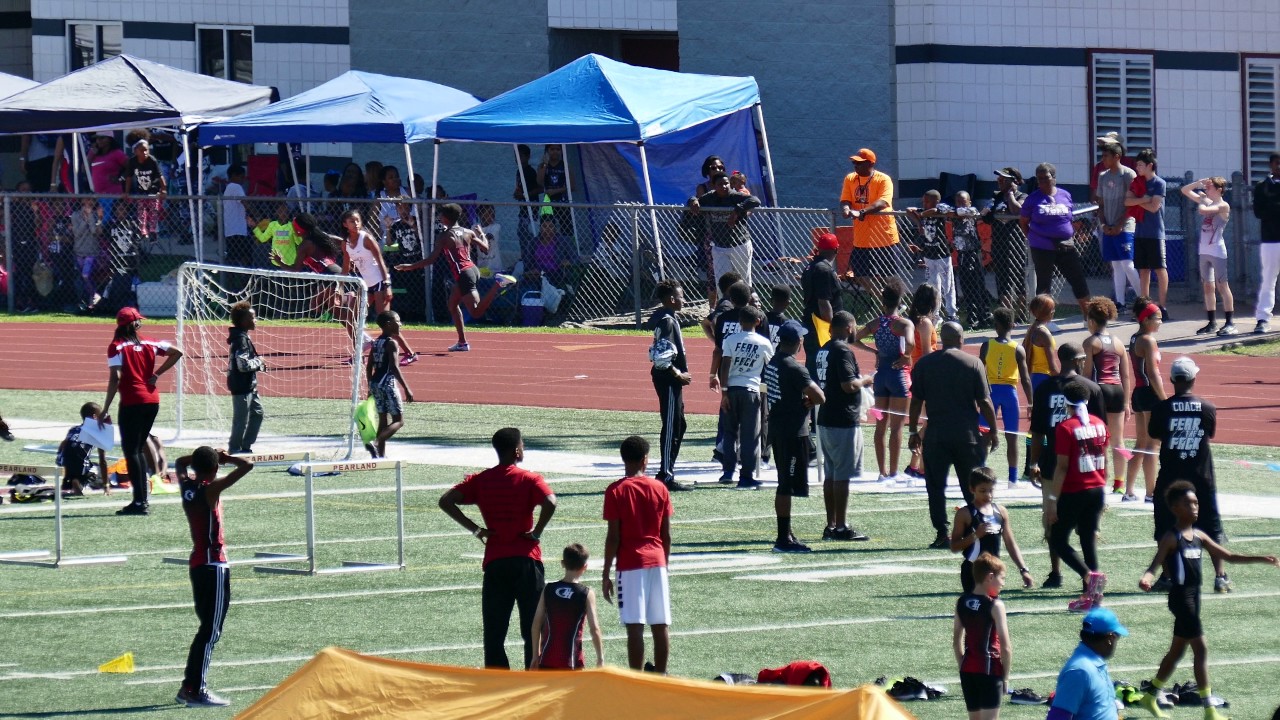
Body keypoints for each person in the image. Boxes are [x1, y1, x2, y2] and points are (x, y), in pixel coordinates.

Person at [1138, 481, 1279, 720]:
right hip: (1181, 599)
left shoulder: (1200, 536)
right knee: (1201, 650)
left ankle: (1150, 695)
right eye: (1188, 503)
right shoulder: (1171, 538)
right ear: (1174, 508)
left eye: (1196, 502)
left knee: (1176, 651)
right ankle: (1209, 710)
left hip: (1195, 597)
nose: (1194, 507)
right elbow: (1155, 564)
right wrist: (1147, 577)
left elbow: (1229, 557)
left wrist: (1261, 558)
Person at [438, 428, 557, 670]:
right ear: (516, 451)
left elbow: (446, 501)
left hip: (496, 562)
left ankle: (497, 683)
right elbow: (550, 502)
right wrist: (537, 532)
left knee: (494, 633)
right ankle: (532, 679)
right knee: (532, 630)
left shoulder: (482, 480)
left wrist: (476, 530)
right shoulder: (530, 479)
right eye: (522, 446)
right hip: (527, 561)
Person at [174, 447, 254, 708]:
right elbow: (247, 466)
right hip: (214, 564)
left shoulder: (187, 485)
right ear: (215, 467)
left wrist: (206, 456)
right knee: (211, 631)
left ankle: (189, 686)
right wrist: (227, 457)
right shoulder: (211, 489)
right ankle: (196, 690)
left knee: (205, 630)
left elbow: (179, 461)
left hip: (198, 564)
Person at [909, 321, 998, 549]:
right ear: (961, 339)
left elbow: (917, 400)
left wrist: (912, 430)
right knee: (972, 485)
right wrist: (994, 430)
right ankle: (977, 527)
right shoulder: (973, 363)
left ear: (940, 339)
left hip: (936, 436)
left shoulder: (925, 364)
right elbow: (984, 401)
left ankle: (942, 532)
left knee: (935, 486)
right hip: (967, 435)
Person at [1148, 357, 1231, 593]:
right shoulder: (1207, 407)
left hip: (1171, 477)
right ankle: (1220, 576)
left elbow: (1155, 434)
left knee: (1165, 525)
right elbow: (1210, 433)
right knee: (1211, 527)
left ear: (1173, 380)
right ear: (1193, 379)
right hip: (1201, 476)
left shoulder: (1161, 408)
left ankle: (1166, 576)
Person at [1028, 342, 1106, 588]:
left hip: (1056, 466)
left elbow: (1037, 431)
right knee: (1087, 530)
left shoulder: (1044, 388)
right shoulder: (1092, 388)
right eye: (1082, 358)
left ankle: (1056, 573)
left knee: (1054, 523)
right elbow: (1101, 436)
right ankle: (1090, 578)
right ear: (1076, 360)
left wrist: (1033, 462)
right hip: (1089, 470)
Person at [394, 203, 516, 352]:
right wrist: (481, 234)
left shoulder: (444, 236)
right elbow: (485, 248)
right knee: (452, 305)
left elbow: (431, 259)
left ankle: (498, 284)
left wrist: (410, 266)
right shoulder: (468, 232)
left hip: (464, 274)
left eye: (440, 216)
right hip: (472, 270)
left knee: (476, 312)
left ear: (445, 218)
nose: (439, 218)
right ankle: (462, 342)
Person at [100, 307, 183, 516]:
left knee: (133, 451)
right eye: (139, 321)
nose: (141, 324)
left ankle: (140, 501)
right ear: (133, 324)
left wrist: (106, 407)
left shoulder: (116, 347)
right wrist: (157, 374)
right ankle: (141, 499)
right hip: (152, 400)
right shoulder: (151, 342)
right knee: (138, 448)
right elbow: (177, 352)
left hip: (132, 401)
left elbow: (116, 378)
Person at [601, 435, 674, 673]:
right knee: (660, 623)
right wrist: (665, 563)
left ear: (623, 459)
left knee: (634, 625)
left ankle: (636, 677)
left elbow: (614, 536)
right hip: (657, 560)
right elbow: (666, 535)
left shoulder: (616, 490)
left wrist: (605, 572)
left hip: (631, 563)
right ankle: (661, 674)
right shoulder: (660, 488)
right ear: (645, 459)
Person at [1045, 380, 1110, 612]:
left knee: (1058, 539)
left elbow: (1062, 467)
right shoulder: (1099, 423)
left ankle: (1089, 577)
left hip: (1075, 490)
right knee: (1087, 539)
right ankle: (1093, 595)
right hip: (1097, 488)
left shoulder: (1066, 427)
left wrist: (1052, 501)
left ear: (1067, 403)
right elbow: (1105, 456)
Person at [764, 320, 825, 553]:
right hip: (791, 431)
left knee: (785, 483)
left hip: (779, 427)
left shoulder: (775, 361)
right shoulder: (793, 366)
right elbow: (819, 396)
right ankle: (783, 539)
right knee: (786, 485)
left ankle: (786, 533)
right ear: (798, 341)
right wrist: (808, 402)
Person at [816, 311, 873, 541]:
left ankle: (831, 524)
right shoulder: (841, 350)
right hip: (842, 418)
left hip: (826, 418)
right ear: (849, 328)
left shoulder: (824, 349)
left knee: (831, 474)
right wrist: (867, 380)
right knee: (841, 475)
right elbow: (848, 385)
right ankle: (840, 526)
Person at [852, 279, 914, 484]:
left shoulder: (876, 323)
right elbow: (911, 343)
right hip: (899, 378)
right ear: (900, 300)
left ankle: (882, 472)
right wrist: (905, 355)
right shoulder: (904, 324)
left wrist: (874, 351)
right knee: (896, 427)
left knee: (881, 424)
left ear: (882, 302)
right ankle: (894, 472)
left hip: (881, 379)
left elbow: (853, 338)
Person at [341, 209, 417, 364]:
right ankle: (362, 347)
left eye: (357, 220)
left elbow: (381, 262)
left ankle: (410, 353)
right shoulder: (346, 243)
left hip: (379, 283)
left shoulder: (366, 238)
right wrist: (339, 287)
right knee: (351, 316)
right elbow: (345, 267)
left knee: (386, 321)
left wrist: (387, 285)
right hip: (366, 285)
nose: (355, 223)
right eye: (351, 221)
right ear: (345, 225)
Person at [1019, 162, 1090, 316]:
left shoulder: (1065, 195)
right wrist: (1033, 237)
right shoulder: (1033, 199)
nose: (1042, 182)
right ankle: (1044, 319)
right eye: (1039, 179)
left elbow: (1068, 219)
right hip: (1042, 247)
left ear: (1054, 178)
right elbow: (1024, 221)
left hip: (1066, 245)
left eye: (1046, 178)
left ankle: (1089, 315)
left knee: (1077, 278)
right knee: (1044, 284)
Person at [950, 468, 1033, 594]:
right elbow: (954, 546)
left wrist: (1023, 569)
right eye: (983, 491)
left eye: (991, 490)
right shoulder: (965, 513)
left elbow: (1010, 543)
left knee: (992, 609)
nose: (988, 495)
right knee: (975, 610)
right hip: (973, 571)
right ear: (972, 489)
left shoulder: (1001, 511)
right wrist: (975, 535)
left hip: (994, 571)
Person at [718, 305, 774, 489]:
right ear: (758, 322)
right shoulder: (764, 342)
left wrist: (724, 392)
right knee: (751, 435)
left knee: (729, 432)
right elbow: (771, 366)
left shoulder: (731, 340)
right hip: (751, 390)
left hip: (732, 389)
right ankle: (746, 476)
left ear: (739, 322)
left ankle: (727, 472)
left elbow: (725, 366)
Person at [1081, 297, 1132, 495]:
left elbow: (1086, 375)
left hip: (1098, 390)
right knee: (1118, 440)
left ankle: (1099, 479)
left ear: (1091, 321)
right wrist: (1127, 401)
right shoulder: (1119, 343)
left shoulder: (1090, 342)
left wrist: (1082, 400)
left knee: (1097, 438)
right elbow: (1126, 374)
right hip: (1117, 390)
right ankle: (1119, 483)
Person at [952, 552, 1012, 720]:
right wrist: (1005, 678)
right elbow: (1006, 648)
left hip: (967, 671)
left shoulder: (962, 602)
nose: (1003, 583)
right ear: (990, 577)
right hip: (989, 670)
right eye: (1002, 578)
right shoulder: (995, 605)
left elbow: (956, 641)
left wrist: (963, 665)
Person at [979, 308, 1034, 487]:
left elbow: (979, 372)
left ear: (995, 326)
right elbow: (1025, 378)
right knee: (1012, 437)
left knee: (984, 435)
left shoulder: (987, 345)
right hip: (1010, 394)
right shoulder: (1018, 349)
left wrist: (976, 396)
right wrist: (1031, 402)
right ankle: (1012, 479)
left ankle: (980, 473)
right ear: (1012, 325)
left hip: (990, 393)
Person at [1046, 607, 1130, 720]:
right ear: (1110, 639)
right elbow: (1057, 717)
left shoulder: (1093, 664)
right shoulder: (1080, 671)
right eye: (1117, 637)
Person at [649, 280, 693, 492]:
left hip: (669, 378)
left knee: (679, 424)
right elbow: (660, 357)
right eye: (681, 296)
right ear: (671, 299)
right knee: (671, 425)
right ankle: (665, 474)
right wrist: (678, 374)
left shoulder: (667, 318)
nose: (684, 300)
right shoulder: (667, 321)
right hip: (667, 378)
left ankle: (668, 470)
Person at [531, 543, 604, 670]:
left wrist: (535, 655)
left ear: (562, 563)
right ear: (584, 567)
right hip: (573, 661)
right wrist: (600, 658)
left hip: (547, 659)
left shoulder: (549, 589)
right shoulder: (586, 593)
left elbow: (536, 624)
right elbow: (595, 629)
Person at [839, 148, 902, 291]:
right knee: (860, 275)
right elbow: (845, 200)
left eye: (859, 163)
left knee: (890, 276)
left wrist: (862, 212)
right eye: (854, 163)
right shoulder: (850, 178)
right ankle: (883, 303)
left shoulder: (883, 179)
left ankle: (896, 305)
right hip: (861, 240)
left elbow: (883, 202)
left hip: (884, 238)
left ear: (870, 163)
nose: (855, 165)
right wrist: (846, 209)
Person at [1182, 177, 1237, 336]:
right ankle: (1211, 322)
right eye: (1206, 187)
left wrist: (1203, 200)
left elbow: (1203, 211)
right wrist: (1198, 183)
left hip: (1217, 251)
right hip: (1204, 251)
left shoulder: (1223, 205)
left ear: (1219, 189)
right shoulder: (1206, 200)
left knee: (1222, 285)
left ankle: (1230, 322)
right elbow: (1185, 191)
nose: (1207, 189)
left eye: (1210, 187)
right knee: (1207, 286)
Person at [1125, 297, 1166, 502]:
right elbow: (1153, 373)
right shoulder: (1148, 340)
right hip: (1150, 394)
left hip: (1138, 394)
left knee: (1140, 443)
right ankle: (1150, 492)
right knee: (1152, 445)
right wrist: (1165, 399)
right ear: (1146, 319)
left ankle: (1129, 490)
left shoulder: (1135, 337)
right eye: (1157, 318)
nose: (1161, 321)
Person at [1094, 142, 1141, 312]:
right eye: (1103, 156)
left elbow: (1132, 203)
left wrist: (1121, 223)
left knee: (1128, 263)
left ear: (1117, 157)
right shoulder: (1103, 176)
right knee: (1116, 265)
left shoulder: (1128, 175)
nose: (1103, 159)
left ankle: (1142, 300)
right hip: (1109, 225)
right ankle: (1120, 303)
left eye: (1106, 155)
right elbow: (1100, 202)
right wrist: (1104, 224)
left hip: (1126, 225)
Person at [364, 311, 415, 459]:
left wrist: (369, 386)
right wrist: (406, 388)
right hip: (387, 384)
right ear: (388, 324)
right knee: (399, 420)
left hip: (375, 383)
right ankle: (377, 441)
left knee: (383, 419)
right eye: (397, 321)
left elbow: (369, 366)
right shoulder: (392, 343)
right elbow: (394, 367)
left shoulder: (376, 342)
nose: (400, 324)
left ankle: (380, 455)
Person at [698, 172, 761, 287]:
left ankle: (745, 303)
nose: (724, 186)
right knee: (722, 281)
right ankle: (725, 304)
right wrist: (693, 201)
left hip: (739, 245)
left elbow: (755, 200)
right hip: (719, 246)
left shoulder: (735, 196)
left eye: (726, 183)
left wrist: (737, 210)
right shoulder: (710, 197)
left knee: (743, 280)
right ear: (714, 186)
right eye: (720, 184)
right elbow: (696, 201)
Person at [1127, 149, 1170, 317]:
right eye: (1136, 164)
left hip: (1155, 233)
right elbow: (1127, 201)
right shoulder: (1137, 183)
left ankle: (1162, 305)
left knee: (1160, 269)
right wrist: (1143, 199)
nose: (1137, 168)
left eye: (1140, 165)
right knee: (1143, 270)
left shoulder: (1159, 183)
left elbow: (1154, 207)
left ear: (1150, 165)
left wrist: (1138, 202)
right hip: (1140, 233)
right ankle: (1144, 305)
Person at [982, 167, 1028, 323]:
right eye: (998, 180)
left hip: (1016, 245)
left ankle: (1021, 315)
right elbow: (985, 216)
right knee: (1003, 282)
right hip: (999, 246)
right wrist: (992, 205)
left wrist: (1010, 196)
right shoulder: (996, 197)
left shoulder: (1022, 196)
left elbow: (1018, 211)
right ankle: (1007, 317)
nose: (999, 182)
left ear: (1014, 181)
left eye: (1003, 180)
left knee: (1020, 282)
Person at [909, 190, 957, 321]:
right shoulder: (922, 210)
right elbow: (909, 210)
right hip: (929, 255)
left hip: (942, 255)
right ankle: (935, 313)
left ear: (936, 201)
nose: (924, 203)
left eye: (928, 201)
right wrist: (919, 223)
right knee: (933, 286)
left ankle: (951, 313)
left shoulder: (941, 208)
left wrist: (922, 215)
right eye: (923, 201)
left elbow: (937, 211)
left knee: (947, 286)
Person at [800, 232, 843, 376]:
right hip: (821, 325)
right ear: (836, 250)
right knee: (823, 362)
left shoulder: (810, 267)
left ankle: (809, 395)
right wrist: (832, 326)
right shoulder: (824, 270)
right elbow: (824, 303)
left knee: (812, 361)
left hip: (810, 320)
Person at [226, 301, 264, 456]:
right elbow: (242, 365)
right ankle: (235, 449)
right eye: (252, 318)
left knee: (258, 412)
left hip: (249, 385)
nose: (255, 321)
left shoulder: (243, 337)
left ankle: (246, 445)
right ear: (243, 321)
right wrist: (259, 362)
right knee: (241, 420)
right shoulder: (240, 339)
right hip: (241, 385)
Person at [1252, 152, 1280, 334]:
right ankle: (1263, 318)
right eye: (1277, 163)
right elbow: (1258, 212)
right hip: (1270, 239)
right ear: (1271, 165)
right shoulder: (1262, 187)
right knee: (1268, 280)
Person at [57, 402, 110, 496]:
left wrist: (59, 459)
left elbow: (63, 445)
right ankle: (80, 482)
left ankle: (68, 482)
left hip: (64, 461)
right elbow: (103, 461)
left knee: (74, 464)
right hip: (79, 462)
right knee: (96, 468)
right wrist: (106, 485)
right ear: (94, 417)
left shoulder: (74, 429)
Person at [121, 139, 167, 246]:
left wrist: (163, 189)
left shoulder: (152, 161)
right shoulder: (132, 162)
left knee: (153, 211)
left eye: (146, 150)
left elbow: (160, 176)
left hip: (153, 190)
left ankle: (153, 232)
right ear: (135, 151)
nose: (145, 153)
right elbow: (128, 177)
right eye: (142, 150)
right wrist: (126, 192)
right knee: (141, 212)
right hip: (141, 191)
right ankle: (142, 231)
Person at [70, 197, 104, 307]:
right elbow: (77, 233)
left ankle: (94, 295)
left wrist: (95, 218)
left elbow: (95, 231)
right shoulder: (75, 215)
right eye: (86, 200)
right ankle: (90, 303)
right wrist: (86, 220)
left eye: (92, 200)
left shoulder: (95, 214)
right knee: (86, 279)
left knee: (86, 275)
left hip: (92, 252)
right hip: (79, 251)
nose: (89, 203)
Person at [1024, 294, 1059, 393]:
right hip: (1044, 378)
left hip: (1034, 377)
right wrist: (1064, 379)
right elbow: (1052, 367)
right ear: (1050, 312)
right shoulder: (1044, 333)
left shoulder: (1032, 329)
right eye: (1053, 309)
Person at [221, 165, 252, 270]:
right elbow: (244, 202)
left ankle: (231, 278)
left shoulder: (228, 188)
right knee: (245, 256)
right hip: (238, 230)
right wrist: (254, 213)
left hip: (231, 229)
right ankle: (244, 278)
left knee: (234, 256)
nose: (243, 180)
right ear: (234, 176)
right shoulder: (235, 186)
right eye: (241, 177)